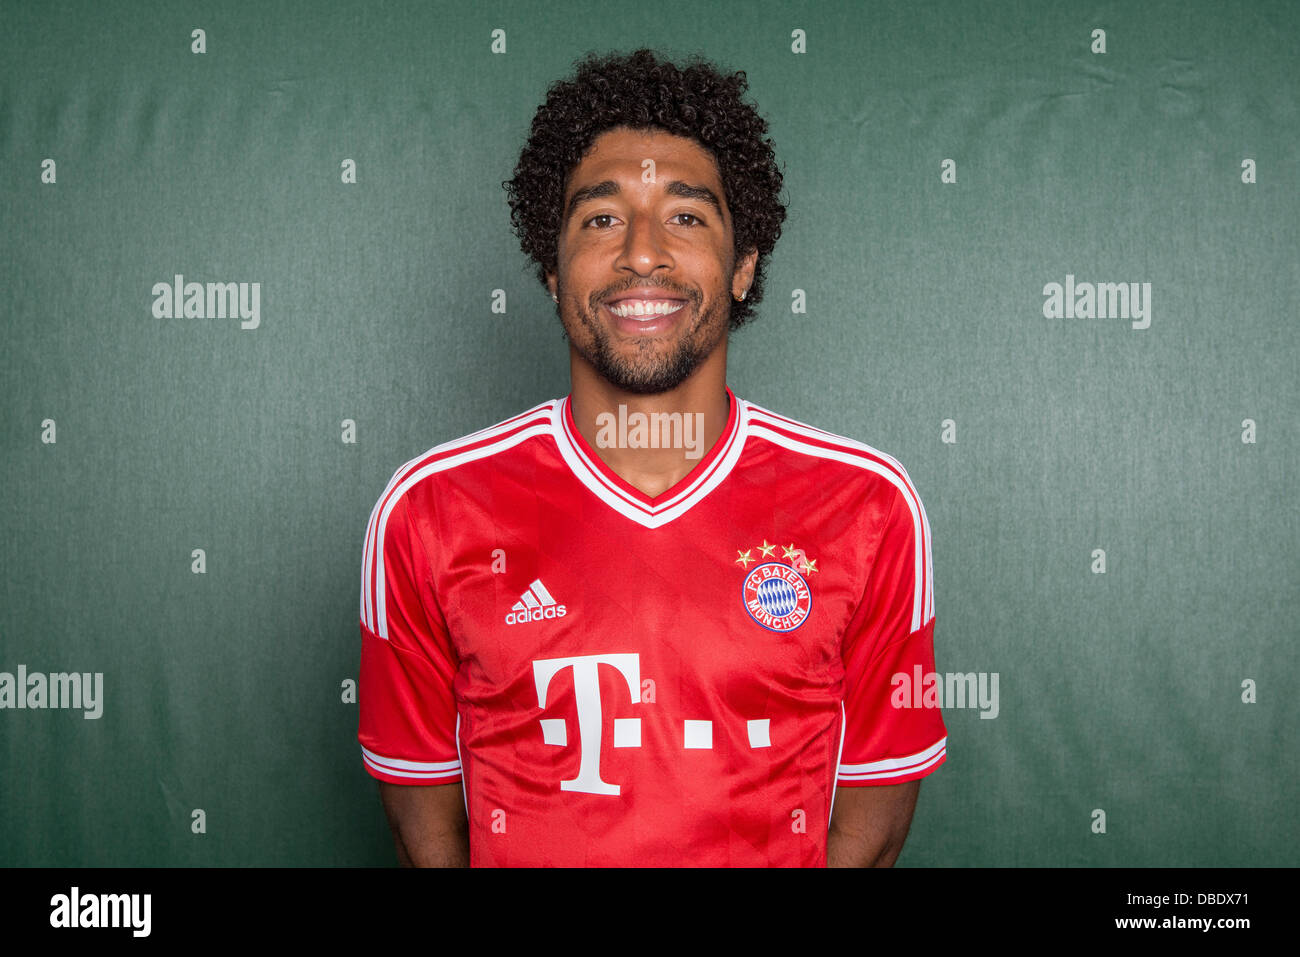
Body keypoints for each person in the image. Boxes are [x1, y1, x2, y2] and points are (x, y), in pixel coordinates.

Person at [358, 48, 945, 867]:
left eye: (686, 216)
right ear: (553, 271)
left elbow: (870, 829)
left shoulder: (867, 507)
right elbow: (426, 833)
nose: (641, 252)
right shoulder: (429, 513)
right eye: (601, 218)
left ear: (743, 267)